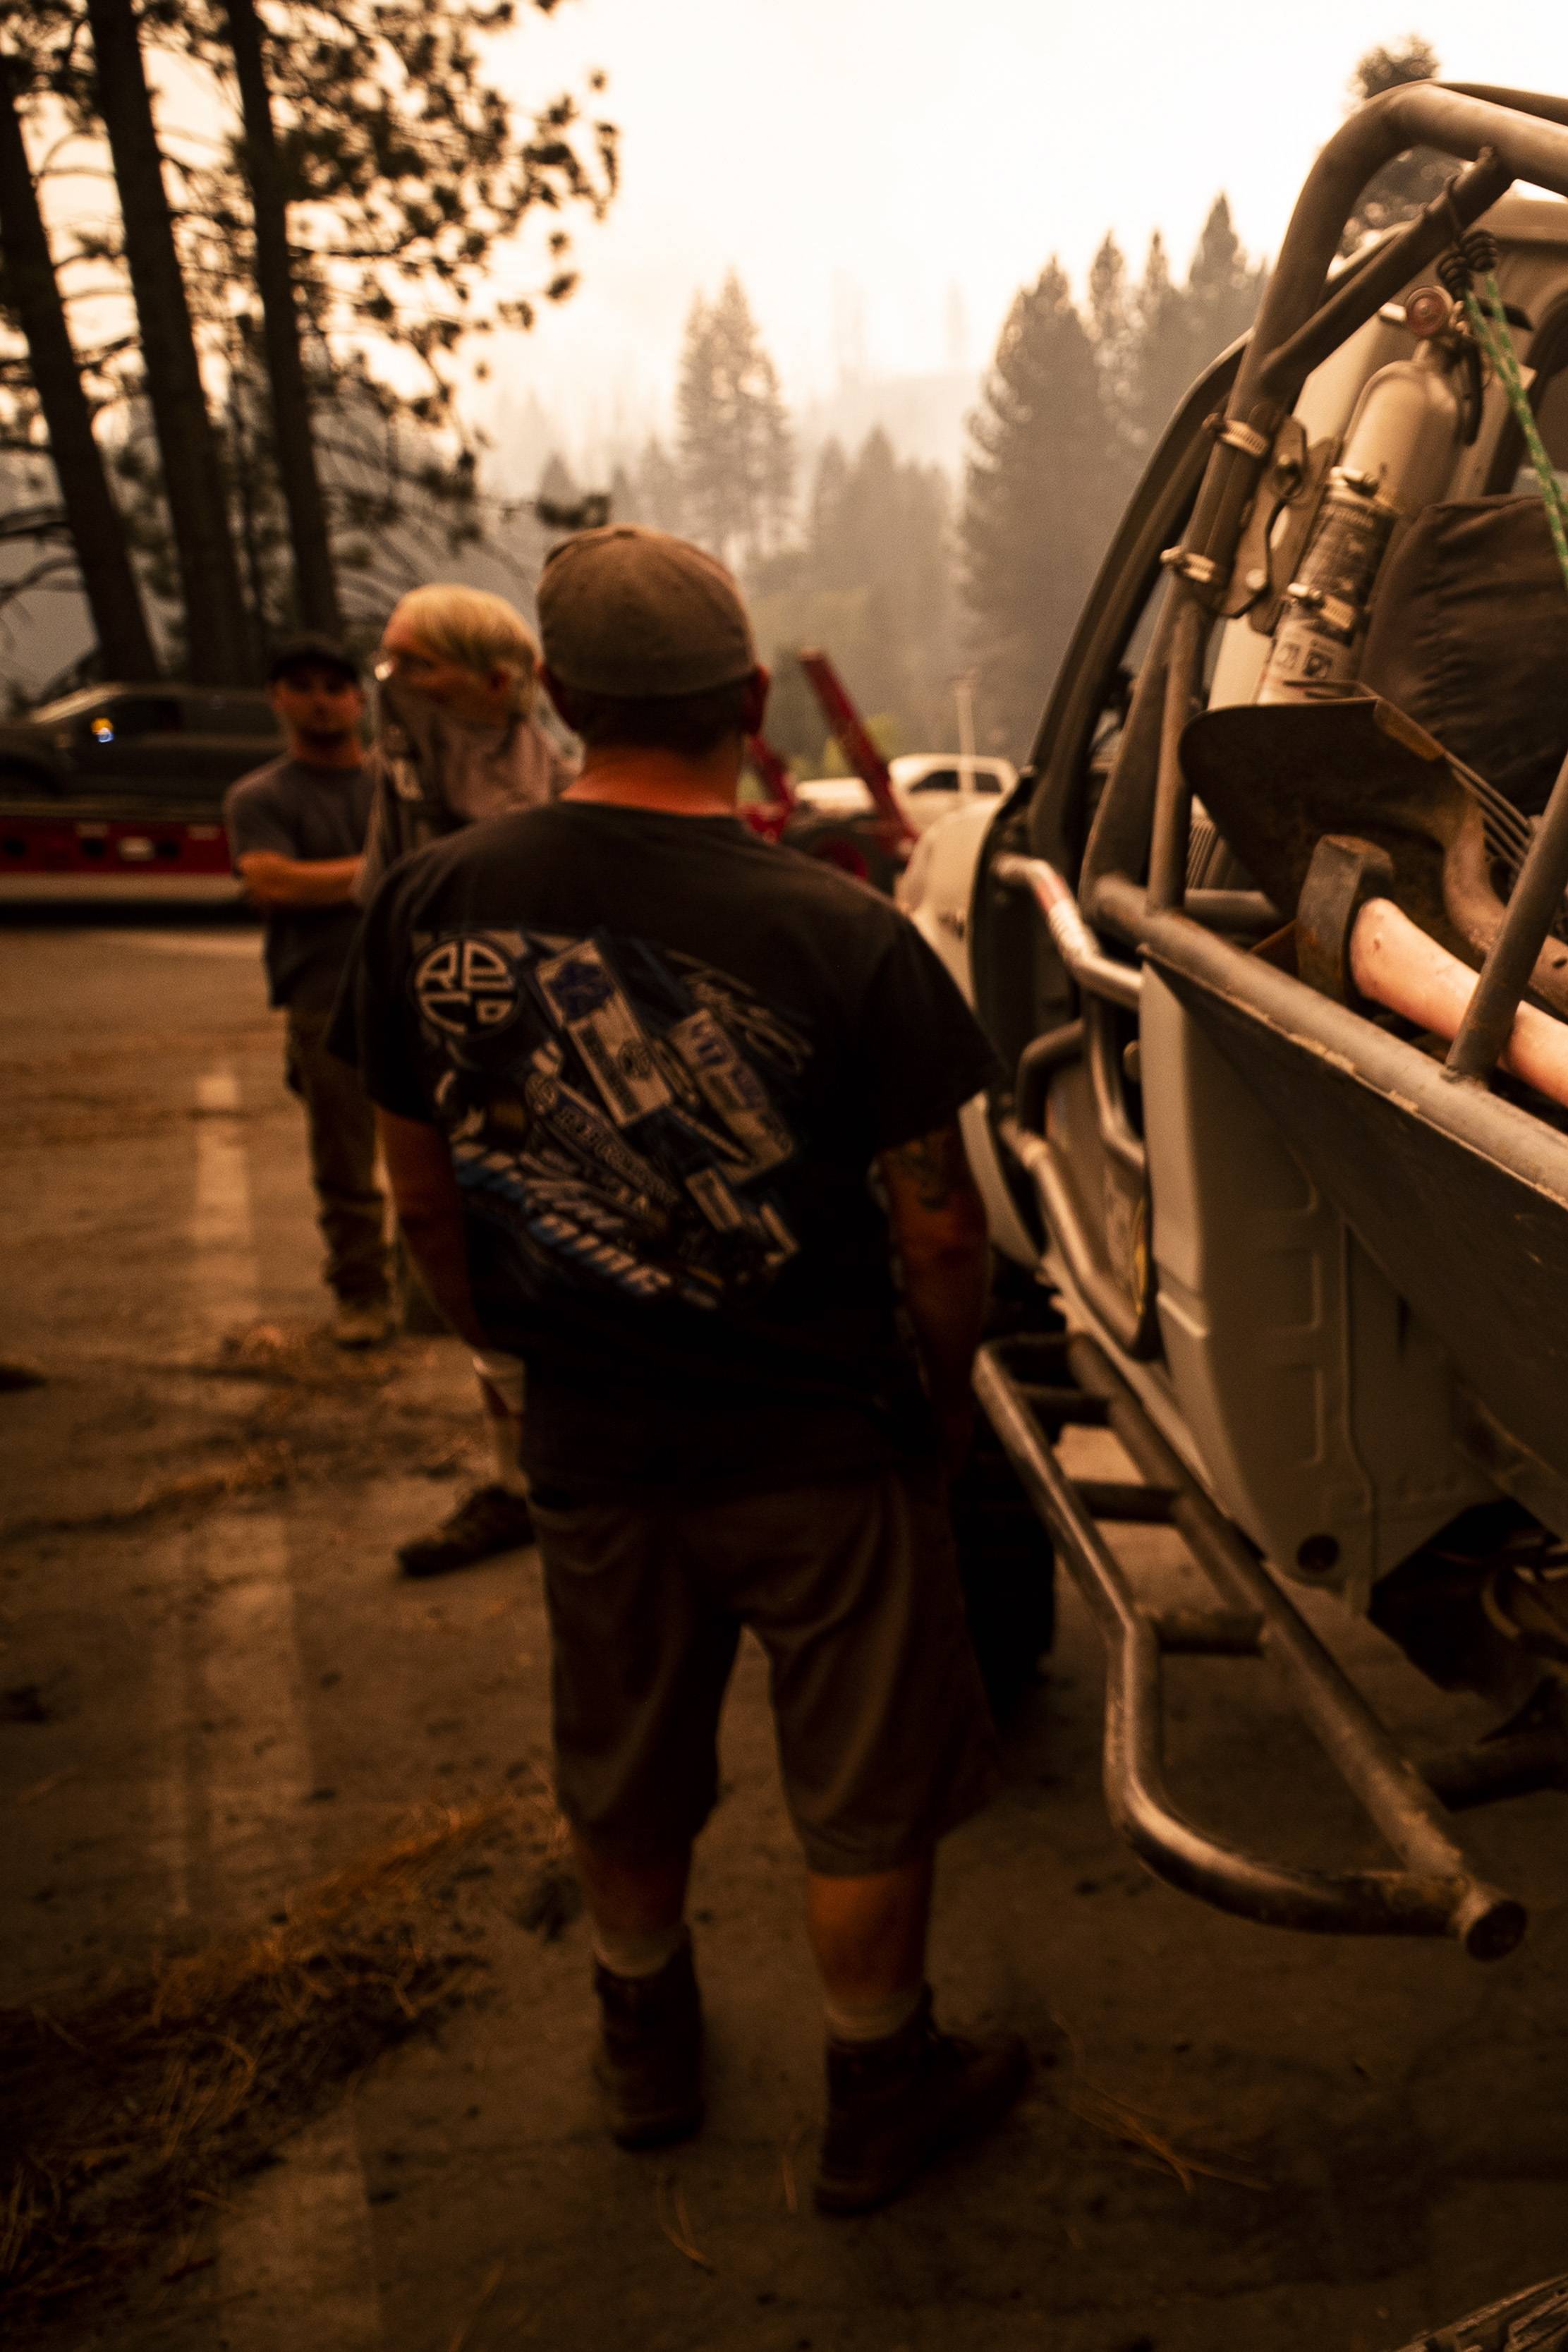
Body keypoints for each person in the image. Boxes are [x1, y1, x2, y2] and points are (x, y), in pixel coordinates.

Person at [335, 526, 1021, 2212]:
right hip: (819, 1441)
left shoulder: (428, 901)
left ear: (561, 699)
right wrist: (939, 1409)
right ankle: (877, 2086)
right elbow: (941, 1234)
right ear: (744, 697)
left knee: (621, 1748)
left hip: (591, 1435)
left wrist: (514, 1349)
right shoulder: (845, 931)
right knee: (862, 1785)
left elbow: (416, 1191)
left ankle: (644, 2039)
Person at [364, 583, 577, 1577]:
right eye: (391, 664)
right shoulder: (403, 785)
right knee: (462, 1264)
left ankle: (572, 1477)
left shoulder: (561, 790)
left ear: (500, 681)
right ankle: (516, 1480)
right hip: (440, 1060)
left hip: (550, 1073)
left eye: (420, 667)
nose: (394, 686)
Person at [225, 636, 391, 1345]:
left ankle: (436, 1295)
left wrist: (327, 879)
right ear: (279, 699)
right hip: (324, 996)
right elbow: (269, 882)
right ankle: (361, 1295)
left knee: (449, 1151)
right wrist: (386, 867)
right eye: (303, 686)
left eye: (334, 686)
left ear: (359, 699)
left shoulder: (397, 782)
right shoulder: (261, 796)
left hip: (413, 989)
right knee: (346, 1162)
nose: (321, 700)